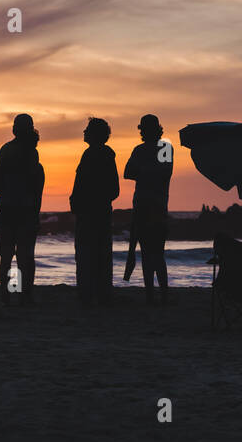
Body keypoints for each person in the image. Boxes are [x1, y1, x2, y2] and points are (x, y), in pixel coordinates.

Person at [0, 114, 45, 306]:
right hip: (27, 212)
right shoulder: (33, 155)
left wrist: (8, 189)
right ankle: (23, 294)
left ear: (15, 129)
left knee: (6, 256)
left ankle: (7, 295)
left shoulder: (6, 150)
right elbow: (35, 188)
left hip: (7, 210)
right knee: (25, 257)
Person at [70, 117, 119, 307]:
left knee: (88, 254)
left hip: (92, 213)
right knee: (98, 255)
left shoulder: (98, 155)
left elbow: (112, 189)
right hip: (95, 212)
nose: (84, 132)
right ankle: (98, 294)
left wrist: (87, 201)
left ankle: (90, 295)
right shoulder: (95, 154)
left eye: (88, 130)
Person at [123, 114, 172, 304]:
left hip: (156, 207)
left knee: (156, 254)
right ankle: (151, 294)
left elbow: (164, 172)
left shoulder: (164, 147)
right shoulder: (139, 149)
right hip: (143, 206)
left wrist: (143, 170)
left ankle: (163, 294)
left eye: (144, 128)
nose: (142, 131)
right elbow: (128, 172)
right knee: (146, 253)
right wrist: (149, 170)